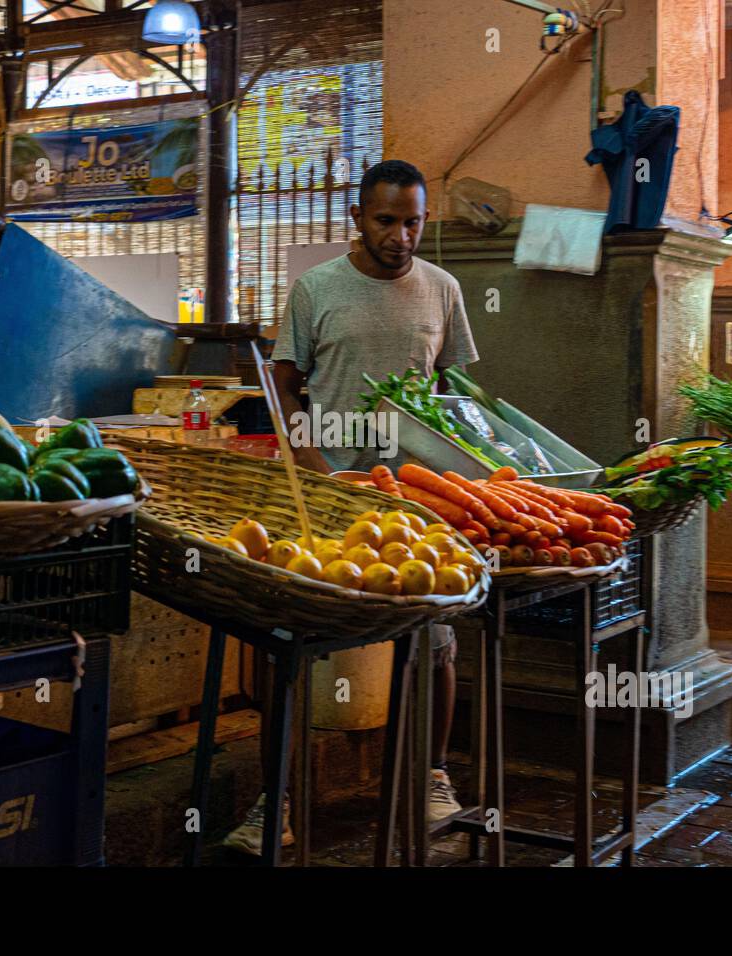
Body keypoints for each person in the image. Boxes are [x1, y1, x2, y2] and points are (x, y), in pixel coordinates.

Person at [223, 159, 479, 855]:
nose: (400, 235)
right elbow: (282, 384)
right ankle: (272, 802)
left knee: (435, 637)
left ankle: (431, 776)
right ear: (357, 219)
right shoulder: (317, 289)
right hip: (327, 496)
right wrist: (309, 462)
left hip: (415, 498)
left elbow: (456, 394)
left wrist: (463, 468)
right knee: (289, 645)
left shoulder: (444, 291)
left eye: (413, 221)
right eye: (386, 220)